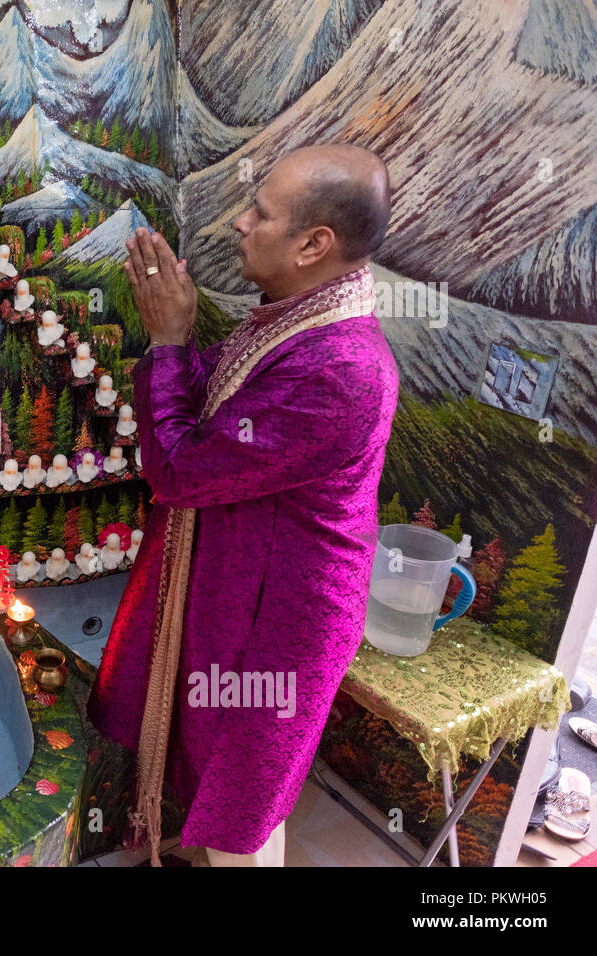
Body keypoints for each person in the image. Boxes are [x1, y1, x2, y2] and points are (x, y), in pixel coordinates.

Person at [88, 144, 400, 867]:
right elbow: (229, 423)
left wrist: (168, 341)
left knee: (241, 805)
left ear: (314, 244)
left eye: (260, 211)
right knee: (222, 787)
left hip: (279, 623)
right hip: (243, 589)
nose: (239, 222)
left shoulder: (339, 367)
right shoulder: (299, 318)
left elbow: (186, 470)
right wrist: (181, 342)